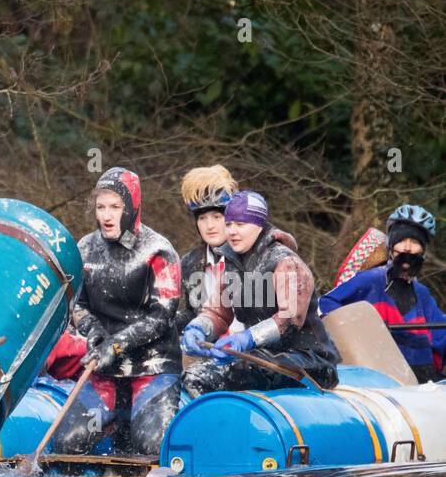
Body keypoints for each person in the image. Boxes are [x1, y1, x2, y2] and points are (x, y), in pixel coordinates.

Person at [58, 167, 182, 456]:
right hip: (104, 371)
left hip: (153, 366)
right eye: (101, 207)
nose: (106, 215)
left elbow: (162, 317)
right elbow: (77, 305)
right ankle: (115, 422)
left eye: (115, 207)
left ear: (132, 207)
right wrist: (93, 331)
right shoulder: (86, 248)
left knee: (150, 446)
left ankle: (138, 422)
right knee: (67, 444)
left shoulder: (159, 251)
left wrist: (114, 345)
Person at [181, 191, 340, 396]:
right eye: (229, 224)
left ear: (258, 224)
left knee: (204, 377)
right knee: (191, 375)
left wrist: (247, 338)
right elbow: (218, 312)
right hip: (261, 356)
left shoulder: (285, 261)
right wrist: (198, 328)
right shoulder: (233, 262)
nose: (232, 231)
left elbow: (289, 319)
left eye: (240, 224)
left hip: (309, 362)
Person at [319, 205, 444, 382]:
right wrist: (362, 330)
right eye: (401, 241)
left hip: (422, 387)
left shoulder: (422, 294)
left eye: (415, 242)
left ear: (423, 251)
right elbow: (325, 305)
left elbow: (441, 335)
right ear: (391, 246)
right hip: (379, 386)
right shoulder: (371, 281)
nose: (407, 248)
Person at [176, 165, 239, 334]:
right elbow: (193, 313)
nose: (209, 226)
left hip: (254, 351)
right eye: (202, 218)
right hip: (209, 349)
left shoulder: (254, 258)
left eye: (217, 217)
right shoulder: (190, 263)